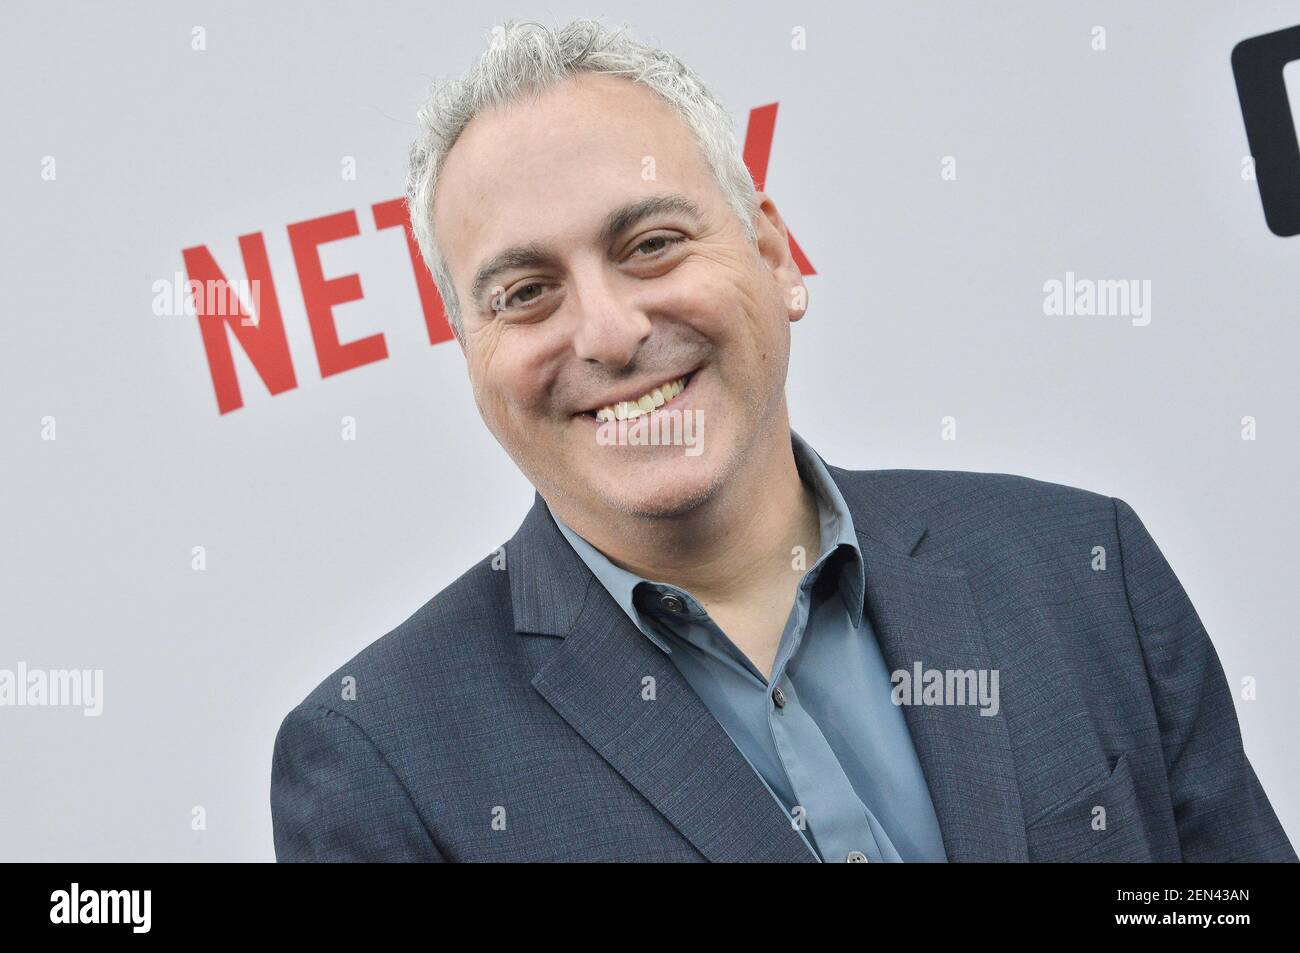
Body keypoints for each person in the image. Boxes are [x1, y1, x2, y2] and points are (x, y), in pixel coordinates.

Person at [270, 18, 1295, 862]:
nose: (609, 331)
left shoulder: (1078, 568)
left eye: (652, 243)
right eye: (526, 292)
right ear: (473, 360)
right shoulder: (381, 761)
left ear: (773, 253)